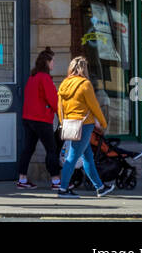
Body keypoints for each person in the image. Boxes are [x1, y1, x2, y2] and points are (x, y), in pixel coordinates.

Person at [56, 56, 115, 199]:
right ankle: (63, 189)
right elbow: (94, 106)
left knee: (87, 157)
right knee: (72, 157)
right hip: (84, 124)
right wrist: (103, 123)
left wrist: (63, 122)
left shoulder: (64, 84)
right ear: (84, 68)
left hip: (71, 124)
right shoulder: (85, 84)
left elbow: (60, 107)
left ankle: (100, 188)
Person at [16, 47, 61, 191]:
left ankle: (22, 179)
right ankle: (56, 181)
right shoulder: (45, 78)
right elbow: (53, 100)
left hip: (28, 118)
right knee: (52, 149)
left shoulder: (32, 77)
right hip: (41, 119)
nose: (54, 63)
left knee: (28, 149)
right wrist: (60, 113)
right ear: (47, 62)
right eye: (53, 60)